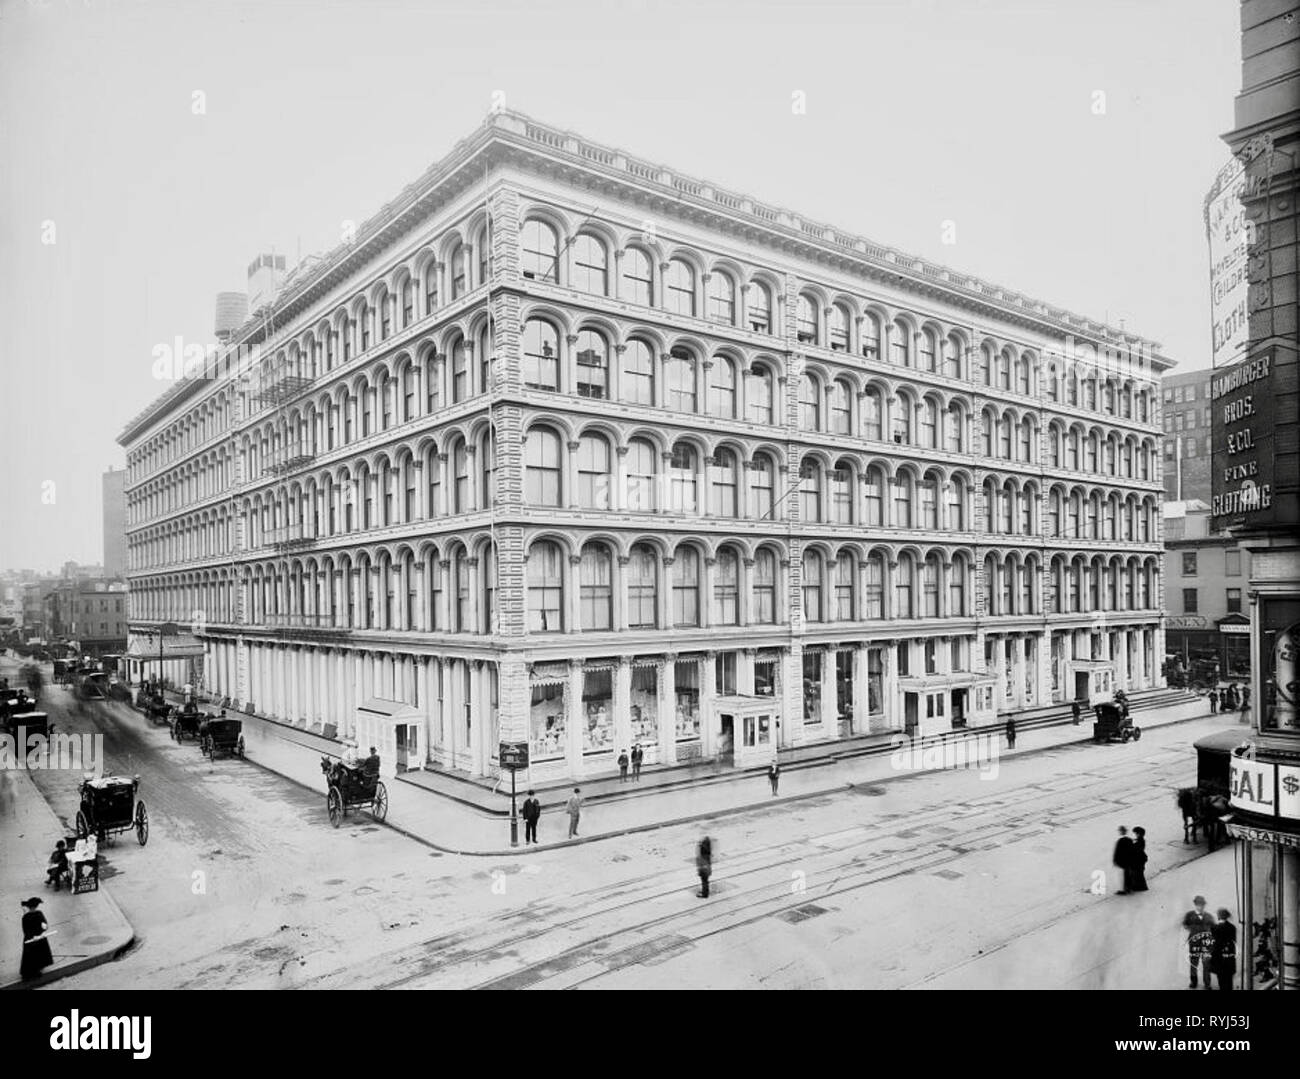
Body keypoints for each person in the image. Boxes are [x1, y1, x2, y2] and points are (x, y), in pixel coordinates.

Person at [1183, 896, 1216, 989]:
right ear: (1195, 905)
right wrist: (1193, 931)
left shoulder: (1209, 916)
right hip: (1194, 944)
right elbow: (1185, 924)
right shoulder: (1189, 915)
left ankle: (1207, 984)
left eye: (1201, 905)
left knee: (1206, 965)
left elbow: (1214, 928)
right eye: (1198, 905)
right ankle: (1193, 982)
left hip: (1206, 944)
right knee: (1194, 964)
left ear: (1204, 905)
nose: (1200, 907)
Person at [20, 897, 53, 980]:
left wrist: (32, 936)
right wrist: (43, 930)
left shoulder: (25, 917)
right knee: (40, 953)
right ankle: (38, 969)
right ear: (36, 906)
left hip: (30, 939)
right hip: (39, 937)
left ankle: (30, 972)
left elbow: (25, 930)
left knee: (30, 956)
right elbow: (45, 925)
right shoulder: (39, 914)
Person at [1210, 909, 1237, 990]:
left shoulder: (1215, 928)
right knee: (1229, 982)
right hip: (1229, 959)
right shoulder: (1232, 927)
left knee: (1221, 982)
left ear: (1218, 917)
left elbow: (1214, 945)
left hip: (1219, 959)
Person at [1113, 825, 1134, 895]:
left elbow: (1117, 852)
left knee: (1124, 875)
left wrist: (1115, 860)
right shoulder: (1130, 840)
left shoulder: (1120, 841)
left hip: (1123, 861)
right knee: (1128, 874)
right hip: (1129, 860)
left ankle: (1125, 890)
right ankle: (1129, 888)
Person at [1130, 826, 1149, 892]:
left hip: (1139, 860)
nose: (1135, 834)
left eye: (1136, 833)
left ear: (1139, 834)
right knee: (1138, 874)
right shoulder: (1140, 840)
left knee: (1138, 874)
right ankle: (1138, 886)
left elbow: (1136, 849)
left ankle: (1141, 887)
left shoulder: (1140, 842)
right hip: (1139, 859)